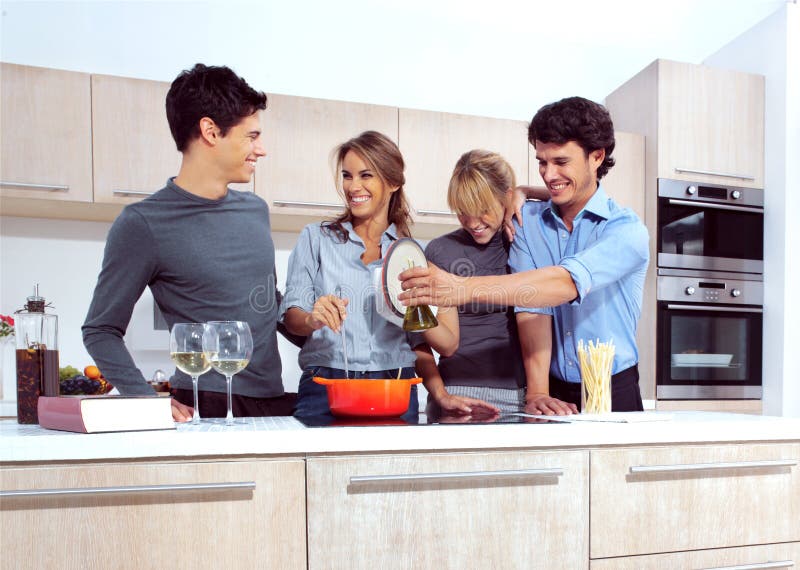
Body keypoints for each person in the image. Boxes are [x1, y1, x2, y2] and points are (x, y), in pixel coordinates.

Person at [399, 96, 649, 414]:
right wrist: (538, 392)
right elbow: (532, 307)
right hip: (553, 390)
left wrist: (460, 288)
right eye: (542, 162)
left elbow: (564, 282)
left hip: (614, 385)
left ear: (596, 156)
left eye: (561, 161)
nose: (548, 173)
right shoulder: (527, 222)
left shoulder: (627, 231)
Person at [83, 63, 294, 422]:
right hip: (203, 404)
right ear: (210, 131)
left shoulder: (256, 210)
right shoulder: (143, 224)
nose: (262, 149)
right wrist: (145, 399)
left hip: (272, 401)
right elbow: (100, 329)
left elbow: (266, 303)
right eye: (251, 136)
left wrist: (318, 324)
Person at [280, 131, 456, 420]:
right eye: (347, 176)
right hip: (325, 385)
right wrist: (313, 317)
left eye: (366, 175)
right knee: (320, 466)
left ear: (393, 182)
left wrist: (439, 393)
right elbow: (292, 314)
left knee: (391, 466)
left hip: (395, 385)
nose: (353, 186)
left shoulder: (411, 254)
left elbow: (419, 341)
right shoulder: (316, 239)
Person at [416, 149, 549, 418]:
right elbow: (423, 338)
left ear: (506, 199)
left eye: (484, 211)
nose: (473, 223)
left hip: (520, 396)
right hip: (457, 393)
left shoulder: (523, 240)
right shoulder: (440, 251)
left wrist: (524, 191)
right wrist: (441, 394)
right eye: (464, 212)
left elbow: (576, 196)